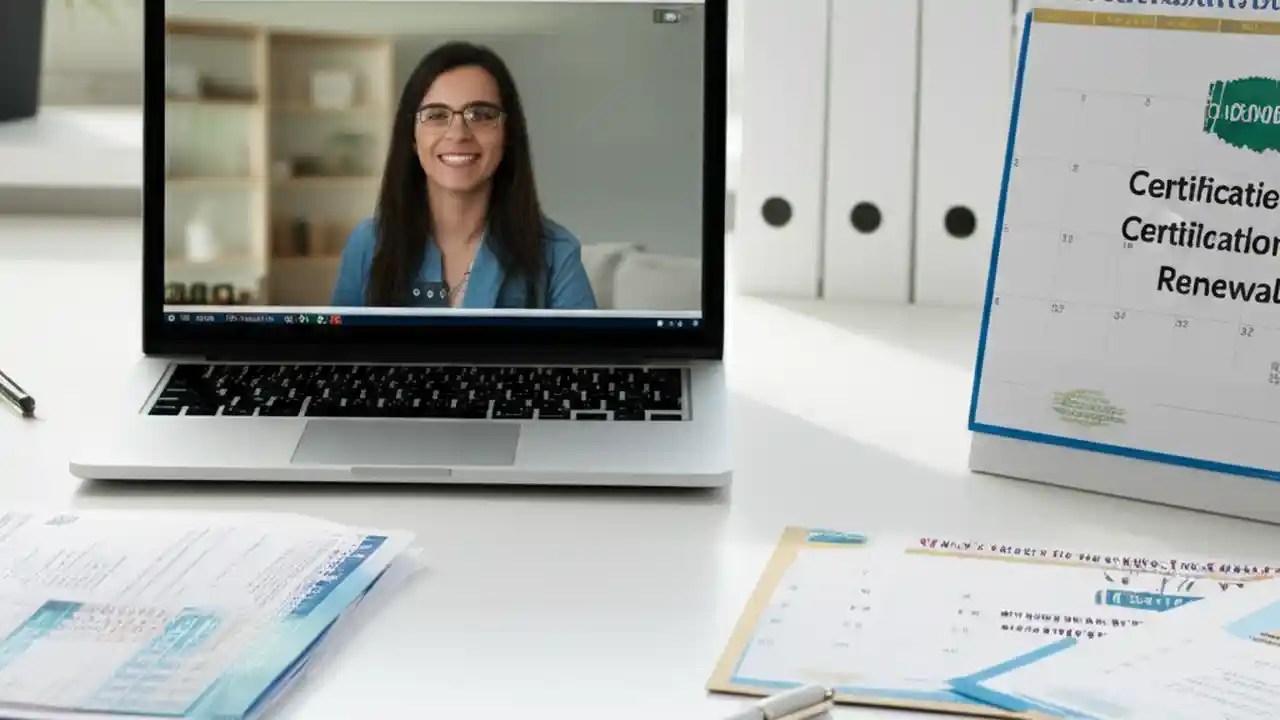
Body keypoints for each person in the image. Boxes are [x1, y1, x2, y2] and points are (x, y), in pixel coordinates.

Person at [331, 41, 597, 310]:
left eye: (480, 115)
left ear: (508, 135)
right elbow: (333, 351)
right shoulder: (368, 245)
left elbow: (589, 353)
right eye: (436, 115)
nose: (458, 134)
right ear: (411, 137)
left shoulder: (556, 253)